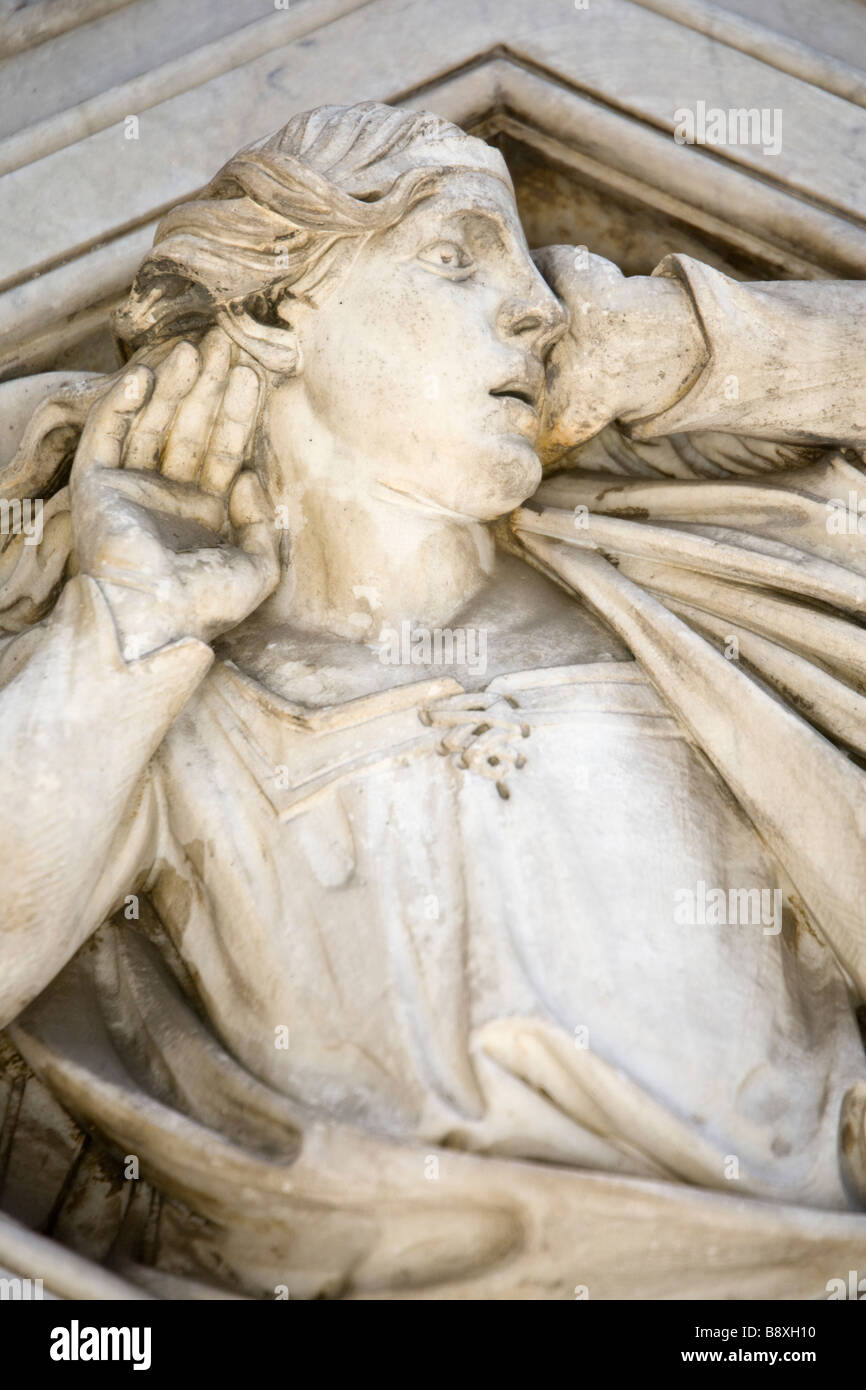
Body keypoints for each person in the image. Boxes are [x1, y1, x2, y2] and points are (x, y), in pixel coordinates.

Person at [1, 101, 865, 1300]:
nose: (537, 304)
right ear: (272, 319)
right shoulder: (164, 709)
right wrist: (127, 632)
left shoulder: (695, 585)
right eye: (455, 257)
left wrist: (690, 346)